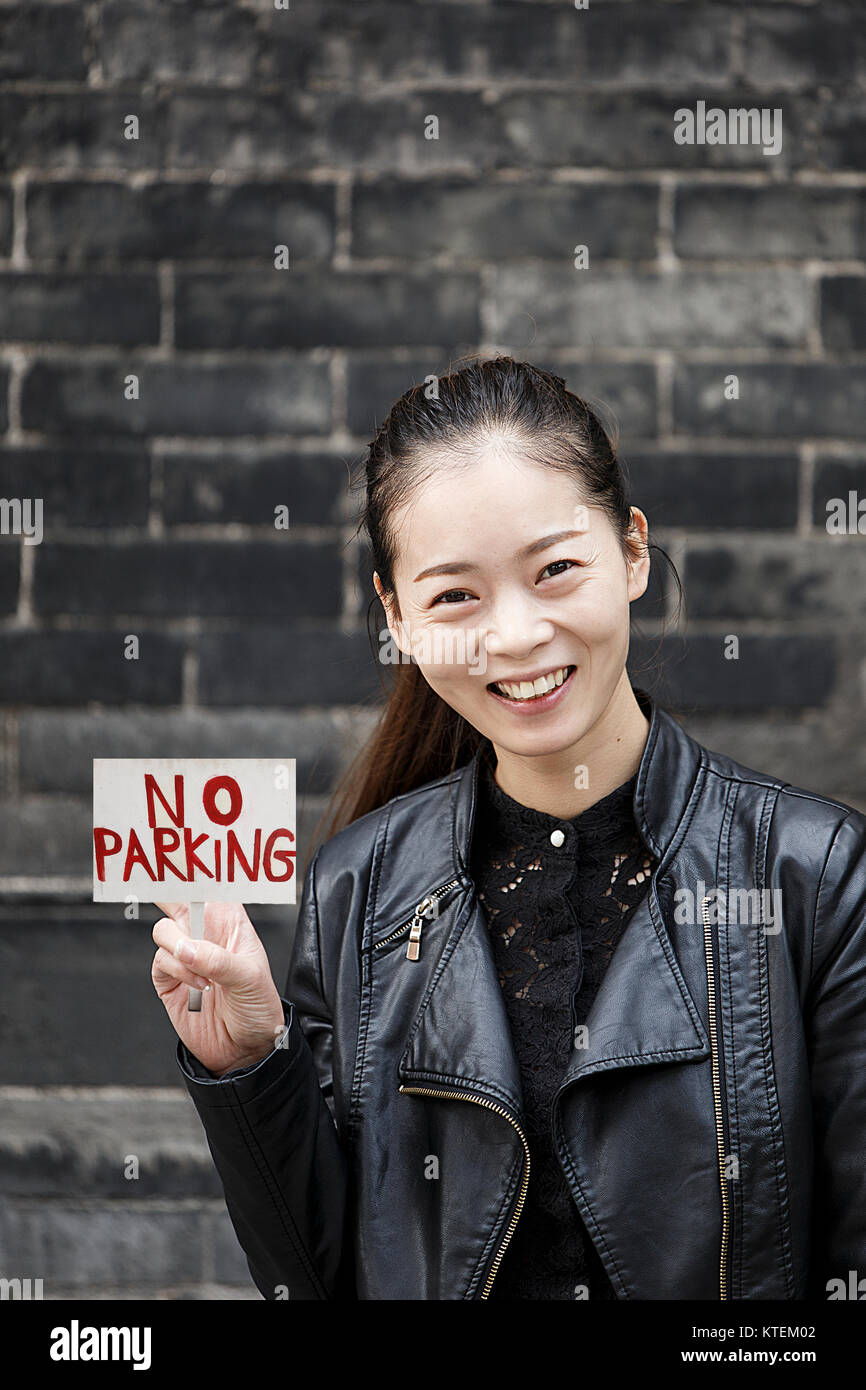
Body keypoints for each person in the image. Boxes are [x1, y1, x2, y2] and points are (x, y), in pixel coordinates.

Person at [151, 355, 866, 1300]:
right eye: (456, 595)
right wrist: (246, 1065)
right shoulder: (357, 886)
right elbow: (319, 1278)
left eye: (556, 569)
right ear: (397, 616)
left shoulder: (812, 877)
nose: (516, 635)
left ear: (634, 552)